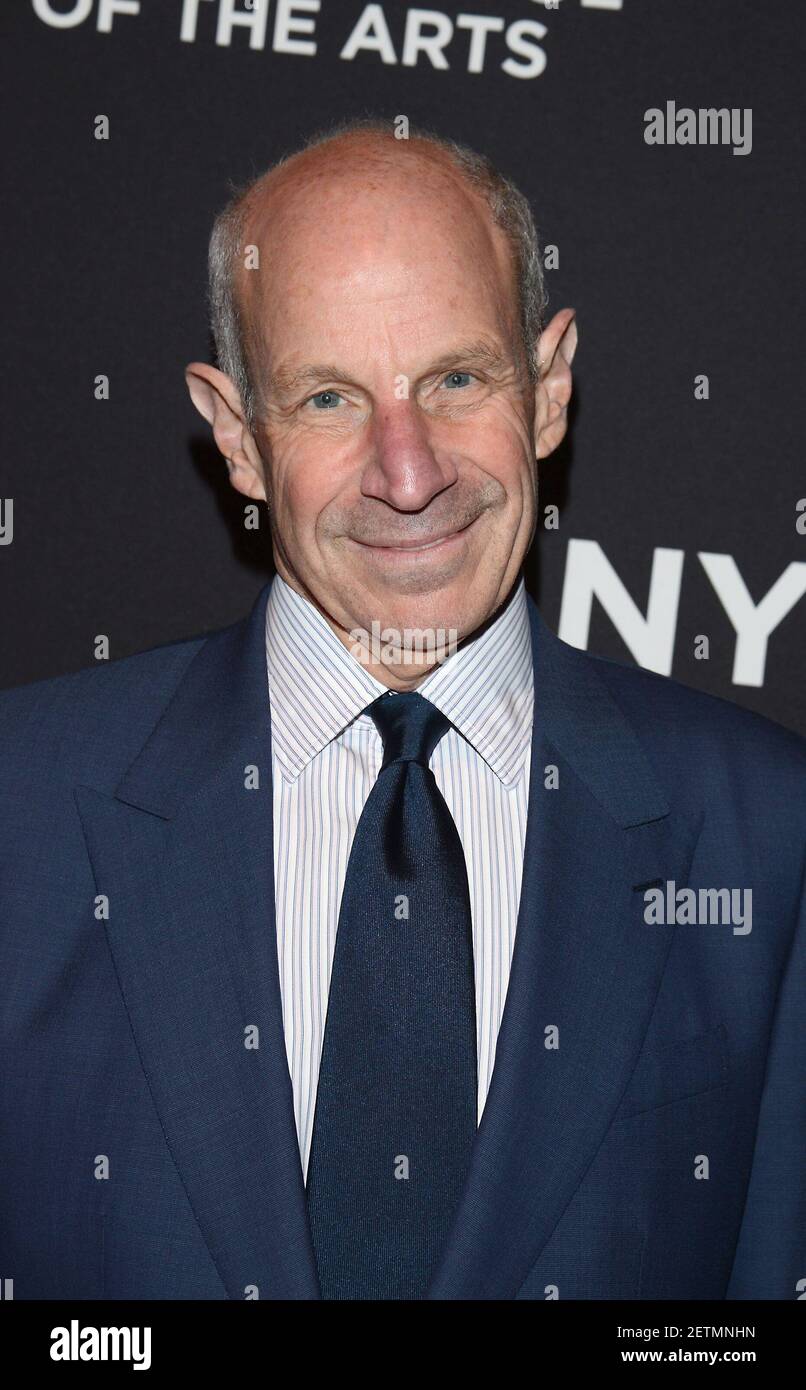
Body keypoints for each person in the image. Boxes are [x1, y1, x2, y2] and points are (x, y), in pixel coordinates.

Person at [2, 117, 804, 1301]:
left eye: (457, 379)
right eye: (328, 399)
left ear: (548, 387)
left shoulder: (762, 829)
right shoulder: (20, 811)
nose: (408, 471)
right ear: (236, 437)